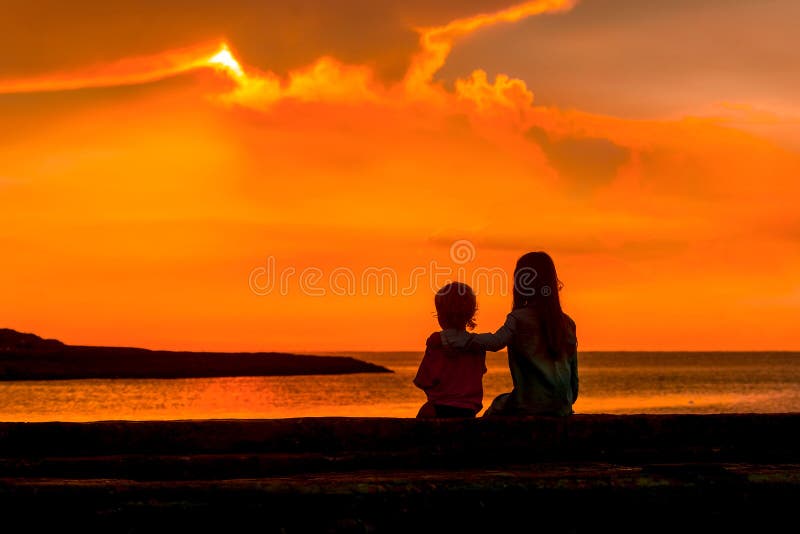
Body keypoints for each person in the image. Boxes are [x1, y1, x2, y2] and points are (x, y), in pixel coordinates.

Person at [443, 252, 578, 416]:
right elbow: (574, 383)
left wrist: (458, 337)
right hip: (563, 407)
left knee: (493, 410)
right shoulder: (568, 323)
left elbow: (495, 342)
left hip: (530, 404)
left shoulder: (518, 318)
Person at [413, 282, 487, 418]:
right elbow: (479, 373)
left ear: (442, 315)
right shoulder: (477, 346)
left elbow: (423, 380)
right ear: (470, 313)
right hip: (469, 411)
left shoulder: (436, 343)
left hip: (439, 407)